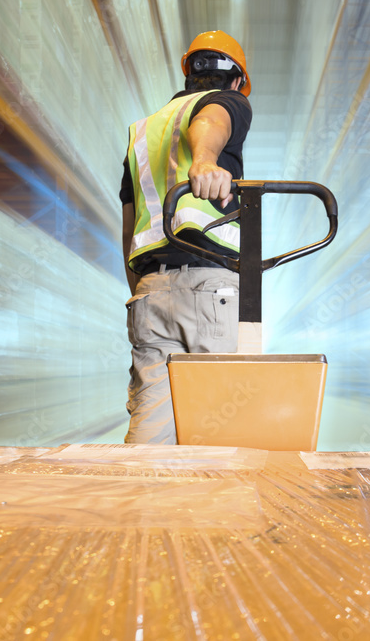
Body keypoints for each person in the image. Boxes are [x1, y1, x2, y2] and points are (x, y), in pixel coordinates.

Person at [119, 30, 253, 444]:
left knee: (150, 432)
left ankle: (142, 488)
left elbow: (128, 227)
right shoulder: (229, 101)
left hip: (150, 291)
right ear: (237, 80)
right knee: (221, 427)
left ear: (189, 74)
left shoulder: (144, 131)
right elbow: (212, 121)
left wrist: (141, 291)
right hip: (210, 287)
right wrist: (206, 160)